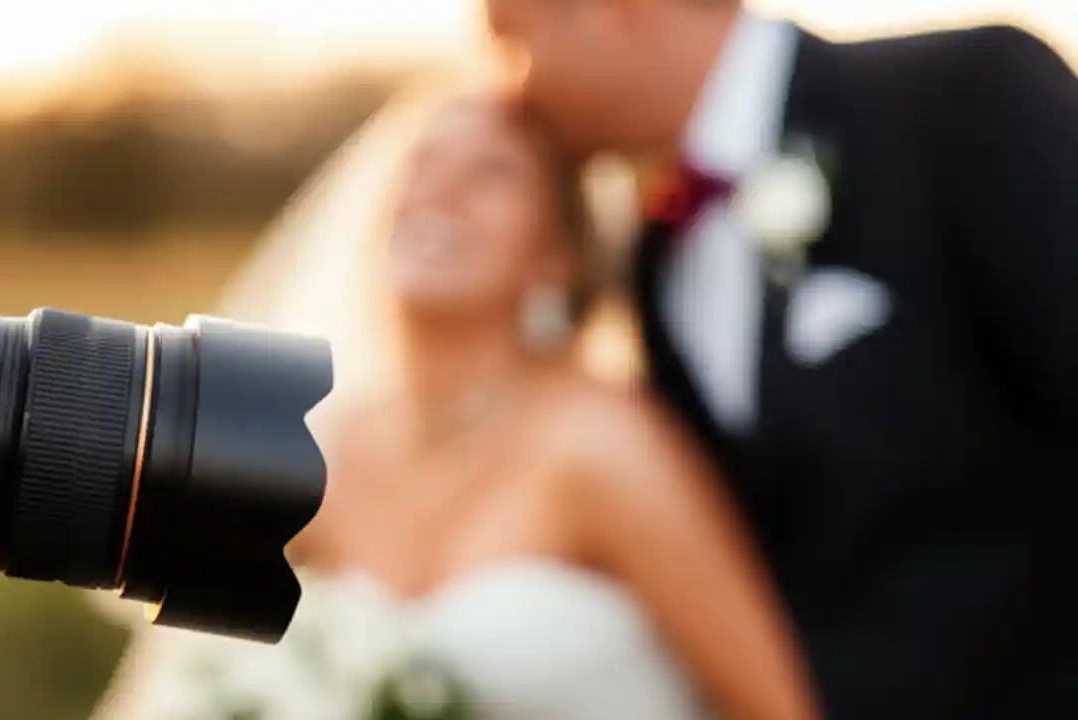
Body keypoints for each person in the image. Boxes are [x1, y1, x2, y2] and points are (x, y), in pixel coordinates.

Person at [95, 90, 819, 720]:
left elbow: (776, 705)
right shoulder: (324, 449)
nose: (439, 193)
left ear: (559, 255)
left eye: (491, 173)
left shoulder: (605, 447)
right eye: (423, 163)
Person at [485, 0, 1078, 717]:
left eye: (513, 41)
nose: (510, 89)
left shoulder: (968, 97)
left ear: (621, 12)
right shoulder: (659, 263)